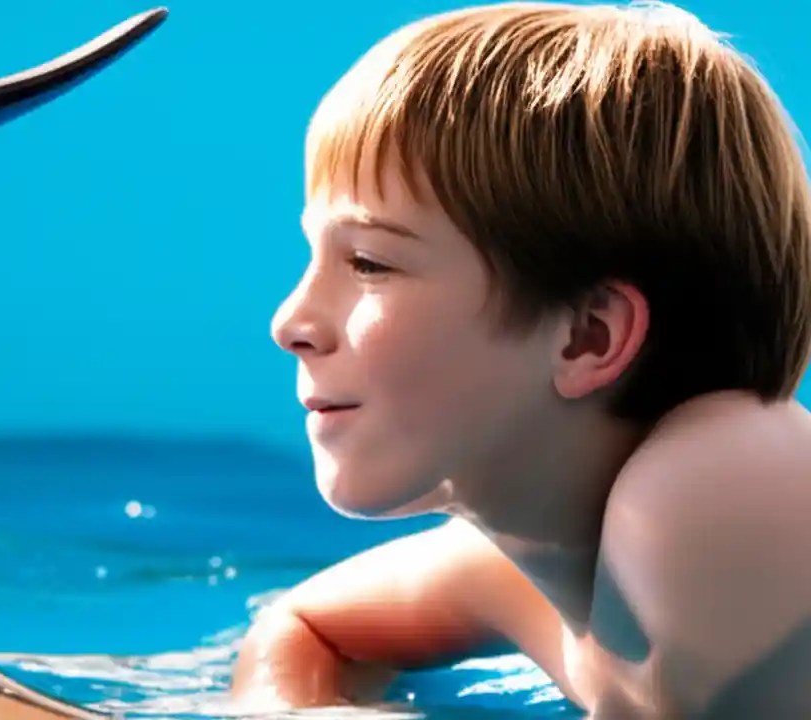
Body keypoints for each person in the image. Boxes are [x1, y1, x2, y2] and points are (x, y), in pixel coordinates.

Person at [228, 2, 811, 717]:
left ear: (587, 337)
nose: (290, 323)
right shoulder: (533, 559)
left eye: (371, 263)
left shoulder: (727, 481)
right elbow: (302, 627)